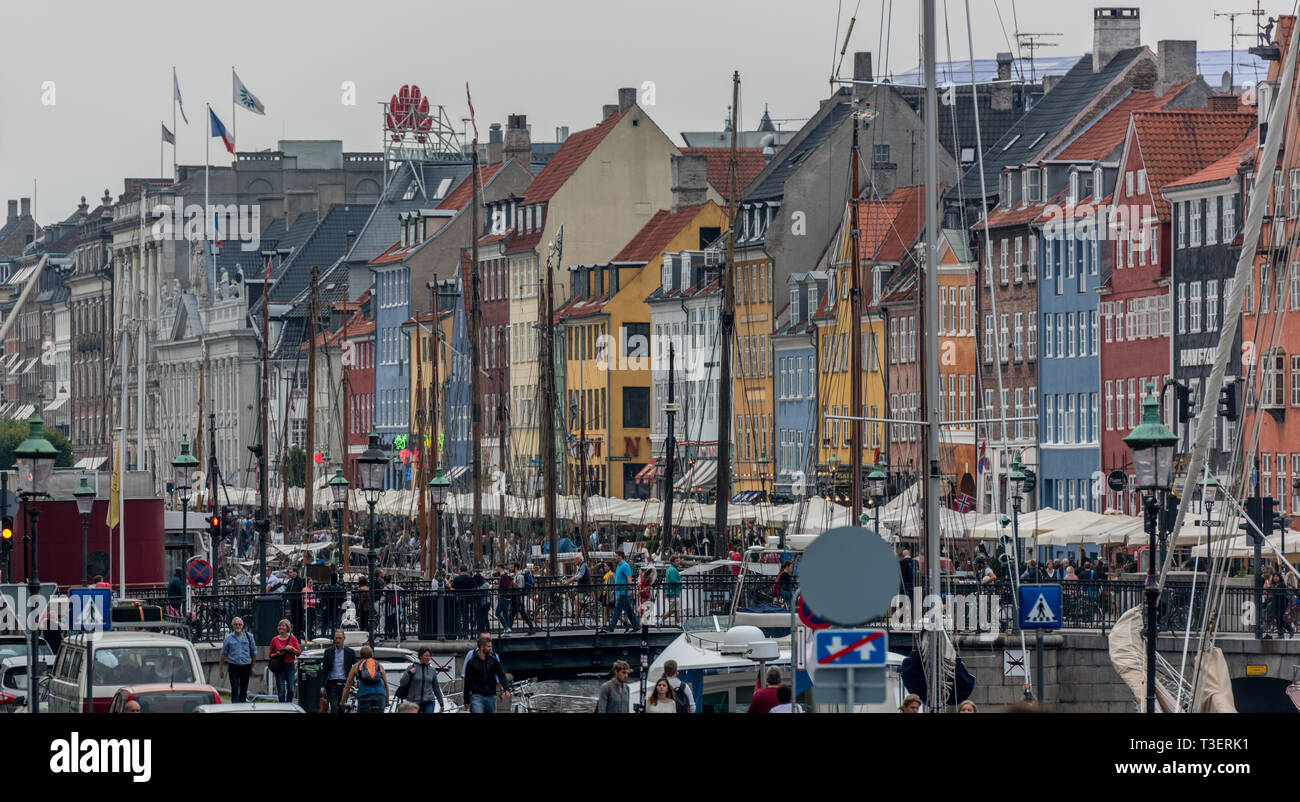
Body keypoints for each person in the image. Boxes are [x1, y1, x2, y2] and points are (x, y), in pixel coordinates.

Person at [463, 632, 511, 713]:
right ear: (482, 647)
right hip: (476, 696)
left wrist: (506, 689)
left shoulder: (494, 660)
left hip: (491, 695)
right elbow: (467, 681)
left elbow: (501, 675)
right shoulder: (472, 662)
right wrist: (466, 700)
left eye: (491, 647)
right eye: (488, 647)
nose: (490, 649)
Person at [218, 617, 256, 704]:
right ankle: (235, 708)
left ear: (242, 625)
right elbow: (223, 654)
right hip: (233, 666)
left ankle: (242, 707)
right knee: (234, 689)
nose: (237, 626)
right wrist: (221, 669)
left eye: (239, 624)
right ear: (232, 626)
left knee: (243, 690)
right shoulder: (228, 638)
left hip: (246, 666)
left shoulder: (249, 637)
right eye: (235, 624)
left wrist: (253, 667)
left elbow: (254, 653)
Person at [397, 647, 446, 713]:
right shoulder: (411, 667)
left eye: (429, 656)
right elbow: (402, 683)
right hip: (413, 702)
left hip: (429, 701)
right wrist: (409, 673)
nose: (428, 658)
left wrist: (441, 704)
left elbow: (436, 687)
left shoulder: (432, 670)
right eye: (426, 655)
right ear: (420, 656)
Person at [321, 629, 357, 714]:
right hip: (332, 683)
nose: (337, 640)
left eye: (340, 638)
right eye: (336, 638)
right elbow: (325, 669)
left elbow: (356, 666)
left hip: (345, 683)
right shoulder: (328, 652)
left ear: (344, 638)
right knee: (334, 707)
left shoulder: (350, 652)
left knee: (342, 707)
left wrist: (356, 680)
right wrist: (322, 686)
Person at [344, 645, 389, 713]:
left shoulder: (357, 666)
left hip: (365, 696)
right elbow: (386, 685)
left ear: (360, 655)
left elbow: (348, 685)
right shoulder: (379, 665)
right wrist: (387, 701)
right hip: (379, 696)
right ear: (371, 654)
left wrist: (342, 702)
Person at [268, 619, 301, 703]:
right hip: (279, 666)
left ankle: (289, 704)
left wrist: (292, 648)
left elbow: (298, 653)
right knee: (281, 690)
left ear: (287, 627)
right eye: (280, 625)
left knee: (291, 689)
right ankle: (282, 706)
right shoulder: (274, 639)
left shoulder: (293, 639)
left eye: (283, 625)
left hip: (290, 665)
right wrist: (278, 653)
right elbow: (270, 655)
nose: (281, 627)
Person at [606, 551, 640, 632]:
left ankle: (611, 627)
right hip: (619, 591)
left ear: (621, 556)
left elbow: (629, 578)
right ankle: (636, 626)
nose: (615, 557)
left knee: (617, 610)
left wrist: (630, 589)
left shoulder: (625, 566)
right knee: (629, 610)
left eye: (616, 556)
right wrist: (615, 589)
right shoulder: (619, 566)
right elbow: (618, 579)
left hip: (623, 592)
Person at [511, 562, 536, 635]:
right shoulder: (516, 576)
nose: (510, 568)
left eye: (512, 567)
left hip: (518, 598)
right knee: (513, 614)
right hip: (516, 597)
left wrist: (511, 584)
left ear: (515, 567)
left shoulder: (519, 576)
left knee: (522, 614)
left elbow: (520, 587)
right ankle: (508, 629)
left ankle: (531, 628)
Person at [285, 566, 306, 636]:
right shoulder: (290, 581)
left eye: (291, 572)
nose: (289, 574)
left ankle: (298, 633)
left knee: (298, 618)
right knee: (293, 617)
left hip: (298, 602)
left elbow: (299, 589)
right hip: (292, 602)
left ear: (295, 573)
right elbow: (287, 590)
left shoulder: (299, 580)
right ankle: (295, 631)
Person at [663, 554, 683, 626]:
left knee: (676, 609)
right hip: (673, 591)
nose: (679, 562)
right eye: (677, 561)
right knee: (673, 610)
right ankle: (660, 620)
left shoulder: (671, 569)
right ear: (673, 562)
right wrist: (680, 582)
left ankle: (679, 623)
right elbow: (673, 580)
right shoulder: (673, 570)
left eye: (679, 560)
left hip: (672, 591)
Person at [495, 568, 516, 634]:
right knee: (505, 613)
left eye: (496, 568)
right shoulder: (506, 576)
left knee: (497, 613)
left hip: (503, 597)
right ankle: (508, 630)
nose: (496, 570)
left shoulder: (503, 576)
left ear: (499, 569)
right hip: (508, 597)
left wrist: (499, 589)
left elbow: (505, 587)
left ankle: (506, 628)